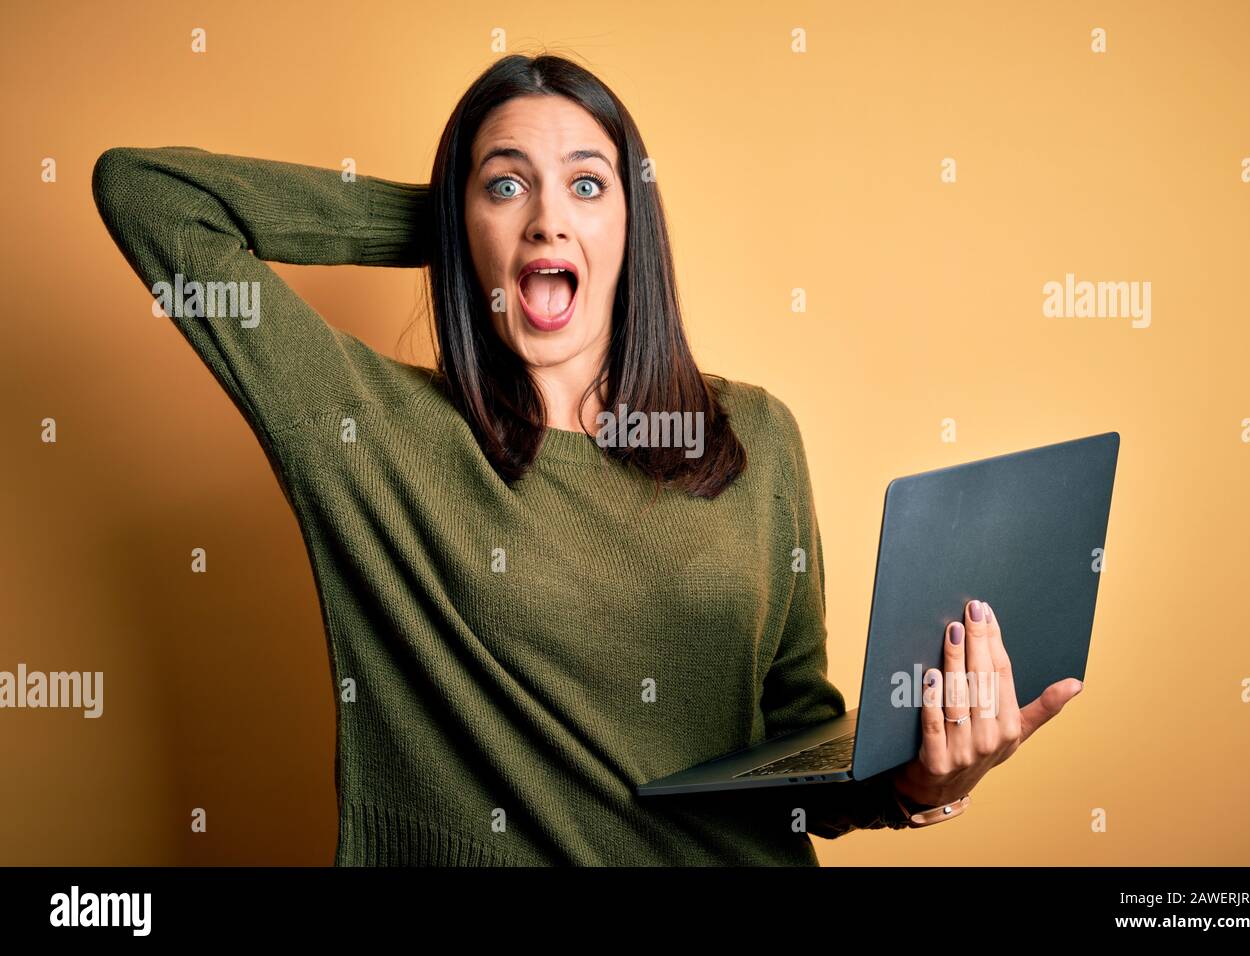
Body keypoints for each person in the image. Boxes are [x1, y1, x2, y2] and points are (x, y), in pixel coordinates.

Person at [90, 52, 1081, 866]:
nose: (548, 220)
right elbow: (149, 197)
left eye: (588, 185)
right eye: (506, 183)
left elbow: (798, 761)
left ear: (630, 225)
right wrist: (446, 219)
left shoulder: (756, 437)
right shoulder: (364, 432)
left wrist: (919, 781)